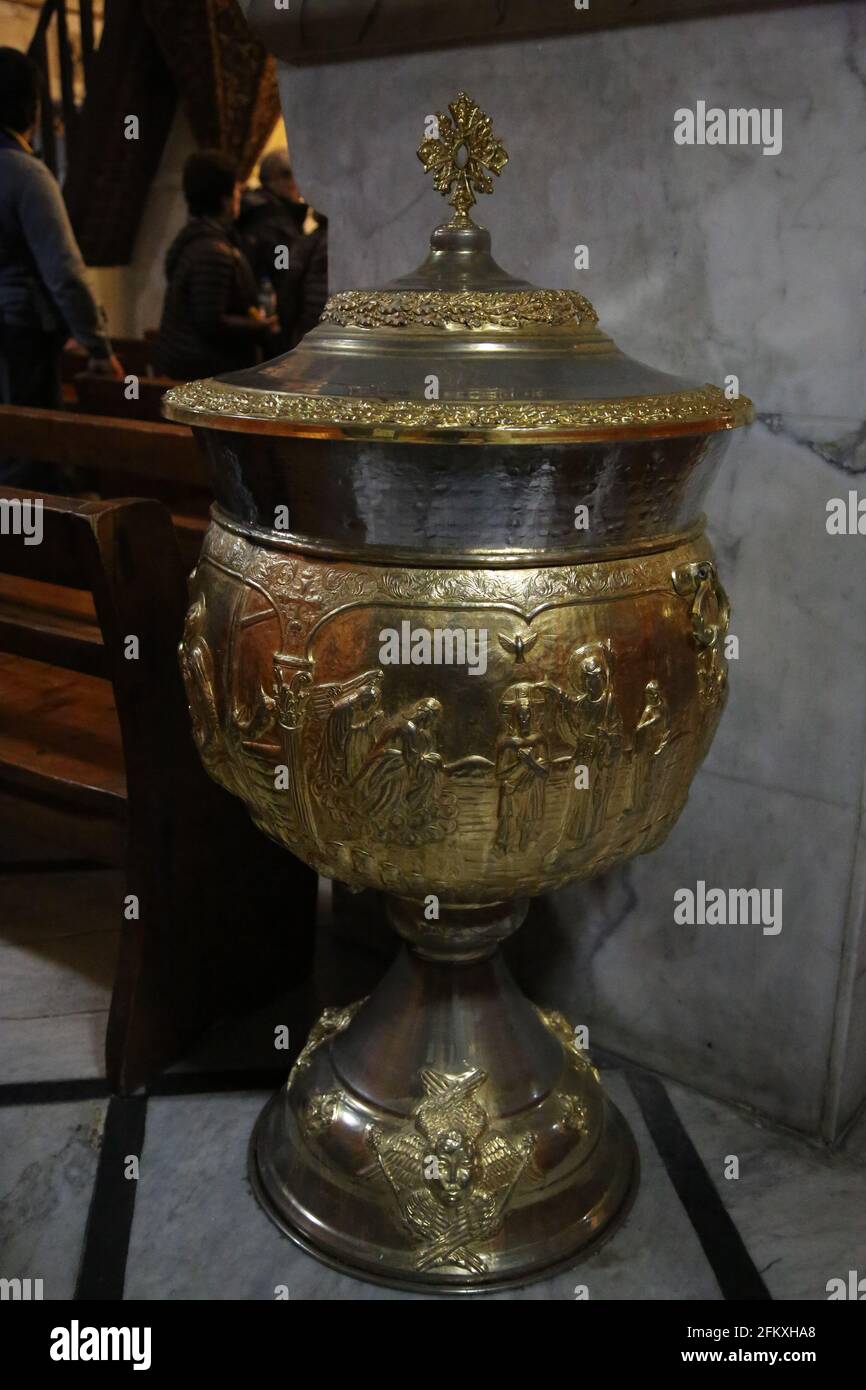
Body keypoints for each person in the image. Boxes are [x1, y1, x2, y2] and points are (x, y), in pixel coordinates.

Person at [0, 47, 122, 424]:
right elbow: (65, 274)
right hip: (20, 339)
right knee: (30, 443)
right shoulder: (27, 176)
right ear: (32, 108)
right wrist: (97, 346)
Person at [156, 150, 278, 381]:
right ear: (225, 199)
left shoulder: (195, 238)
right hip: (205, 369)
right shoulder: (212, 252)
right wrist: (261, 327)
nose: (240, 195)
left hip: (193, 366)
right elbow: (210, 322)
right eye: (236, 189)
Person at [238, 149, 328, 351]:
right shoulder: (276, 224)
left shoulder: (252, 210)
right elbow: (283, 270)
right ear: (281, 180)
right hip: (267, 322)